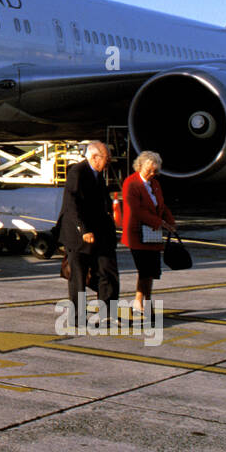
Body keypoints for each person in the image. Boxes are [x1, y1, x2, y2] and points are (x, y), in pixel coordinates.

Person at [59, 140, 119, 327]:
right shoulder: (78, 172)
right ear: (94, 157)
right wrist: (83, 229)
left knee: (107, 272)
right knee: (78, 276)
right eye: (106, 159)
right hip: (78, 236)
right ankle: (77, 318)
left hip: (100, 234)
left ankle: (108, 314)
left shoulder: (97, 174)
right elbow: (72, 204)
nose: (108, 162)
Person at [121, 150, 176, 318]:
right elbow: (136, 210)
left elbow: (162, 206)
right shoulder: (131, 183)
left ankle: (140, 301)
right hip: (137, 233)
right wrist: (160, 223)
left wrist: (170, 222)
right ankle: (146, 303)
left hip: (153, 234)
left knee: (151, 271)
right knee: (145, 270)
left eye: (155, 170)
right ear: (140, 166)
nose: (152, 173)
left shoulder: (155, 184)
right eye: (149, 170)